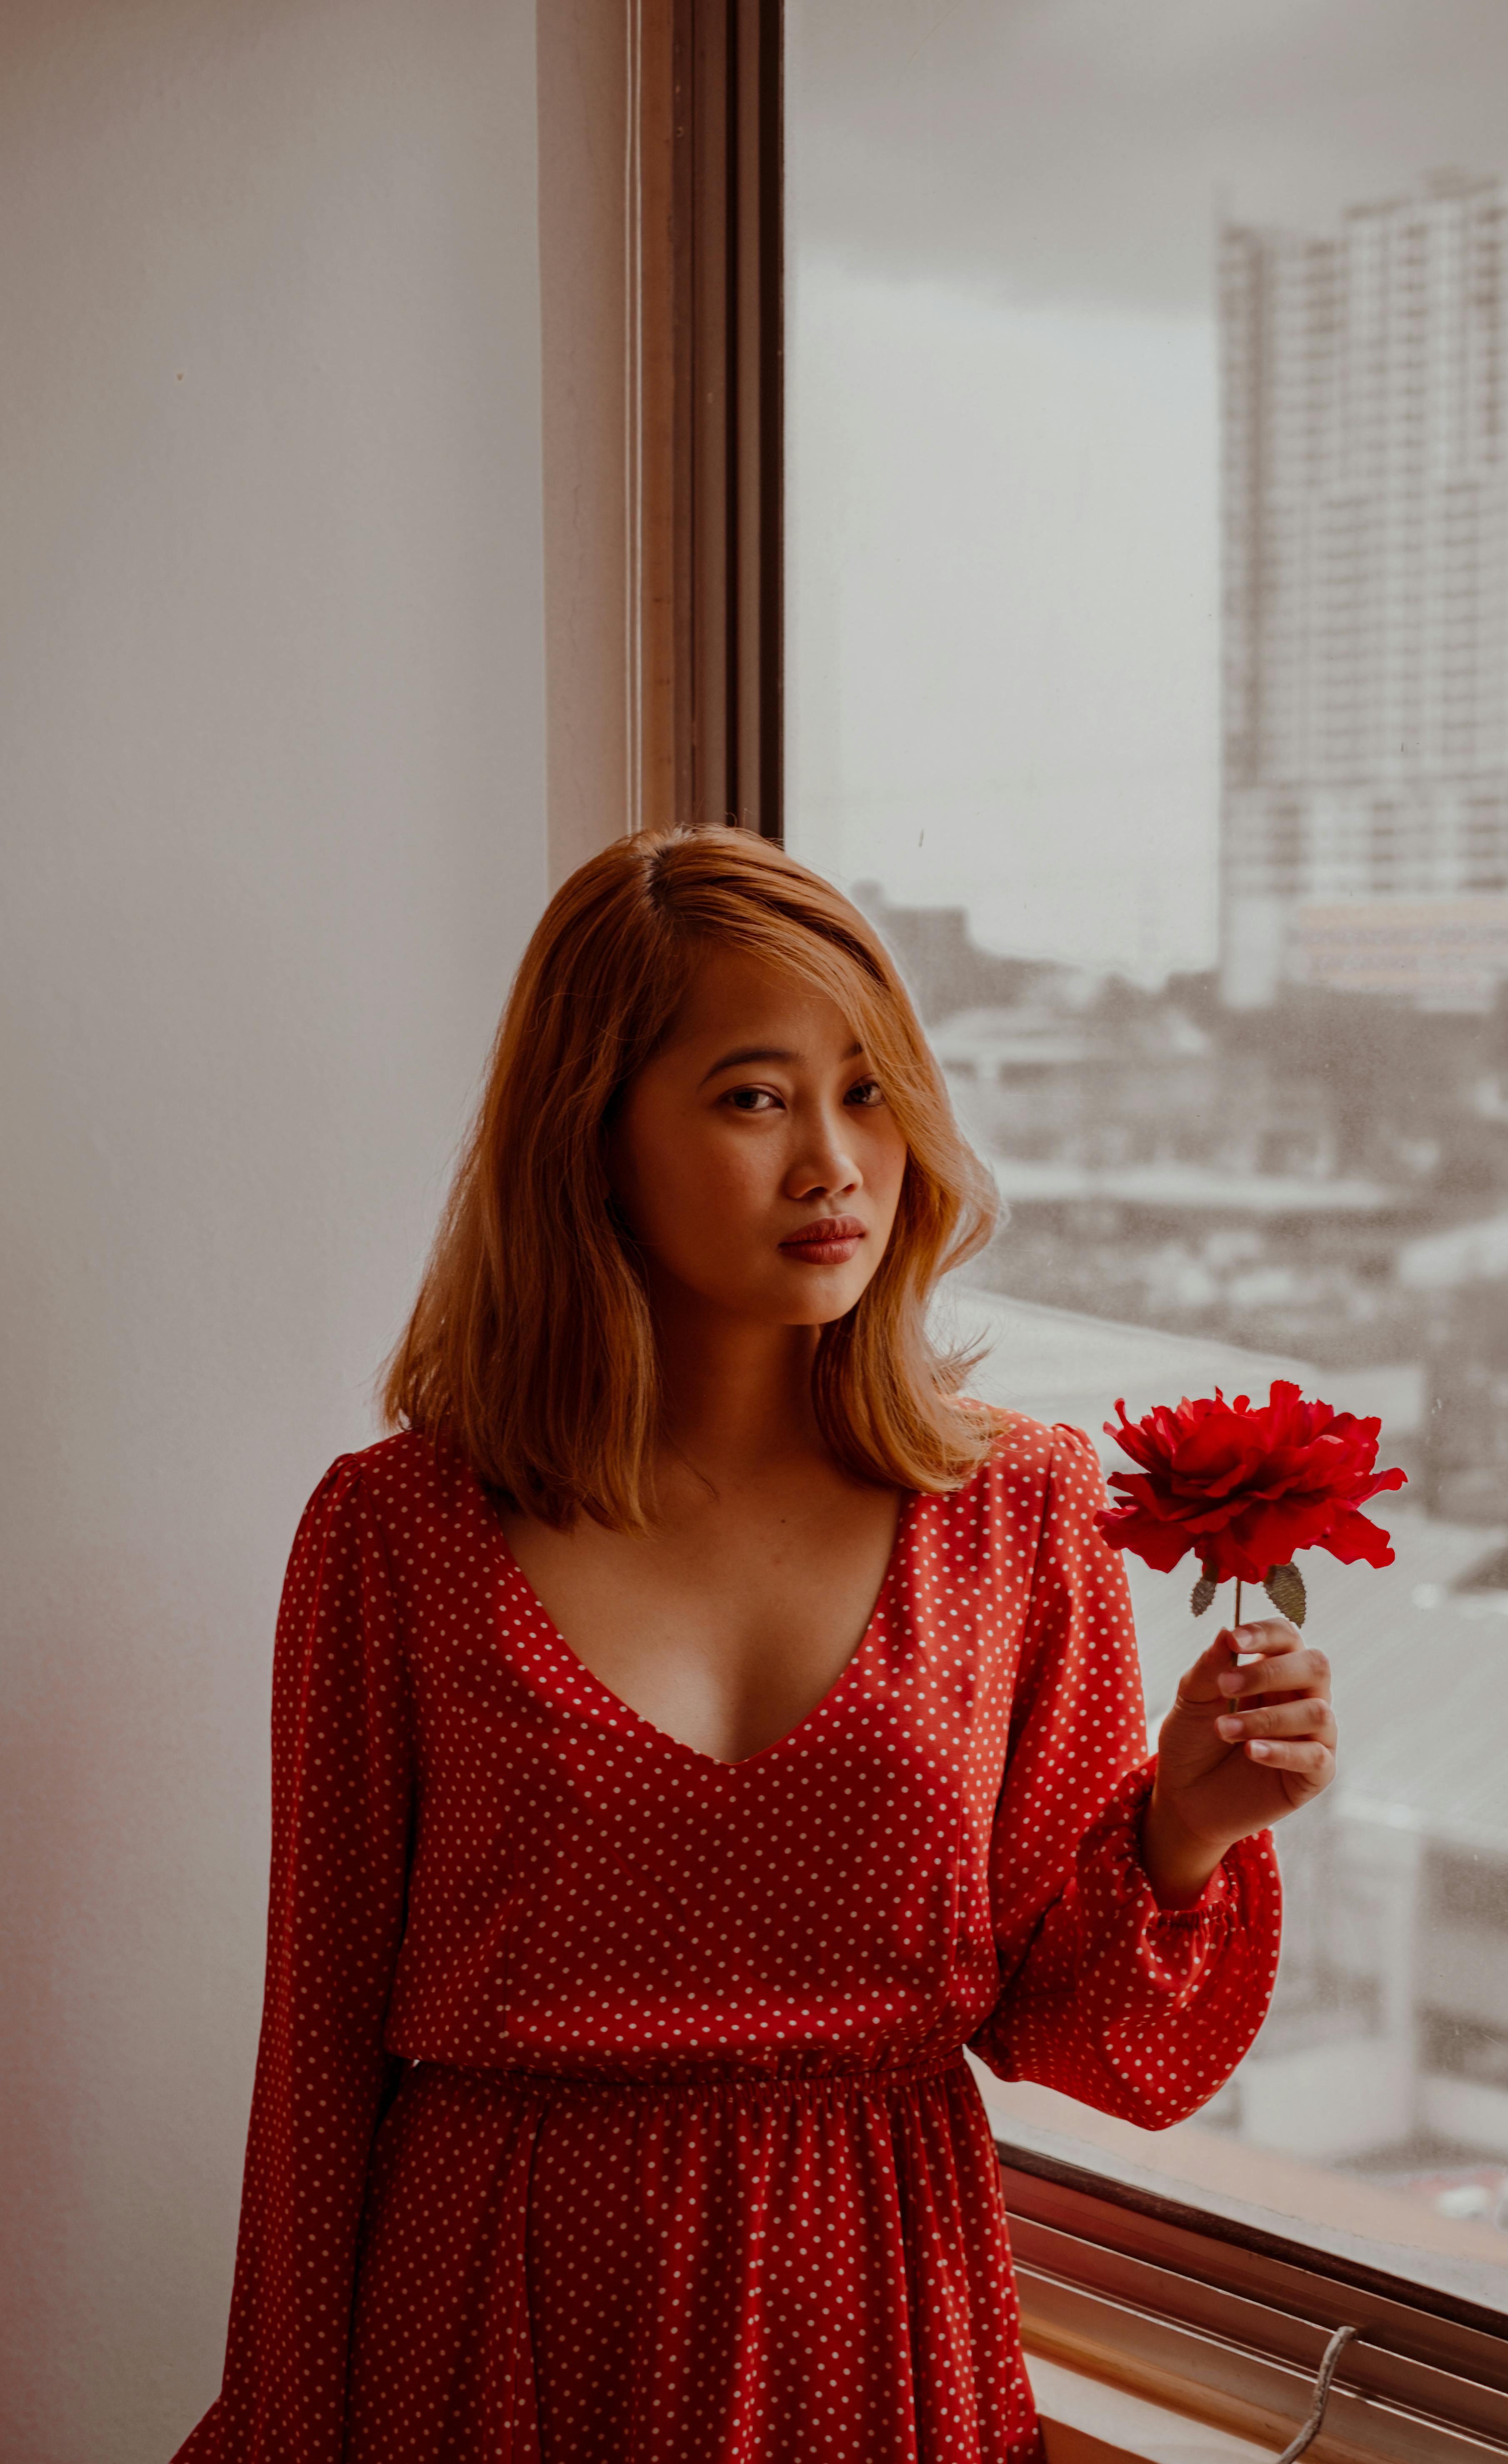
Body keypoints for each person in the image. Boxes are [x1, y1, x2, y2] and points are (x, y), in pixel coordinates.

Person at [173, 826, 1333, 2464]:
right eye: (750, 1094)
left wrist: (1189, 1825)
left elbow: (1083, 2038)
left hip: (873, 2322)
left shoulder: (1018, 1507)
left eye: (866, 1090)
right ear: (590, 1131)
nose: (834, 1163)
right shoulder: (398, 1533)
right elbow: (313, 2061)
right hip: (489, 2334)